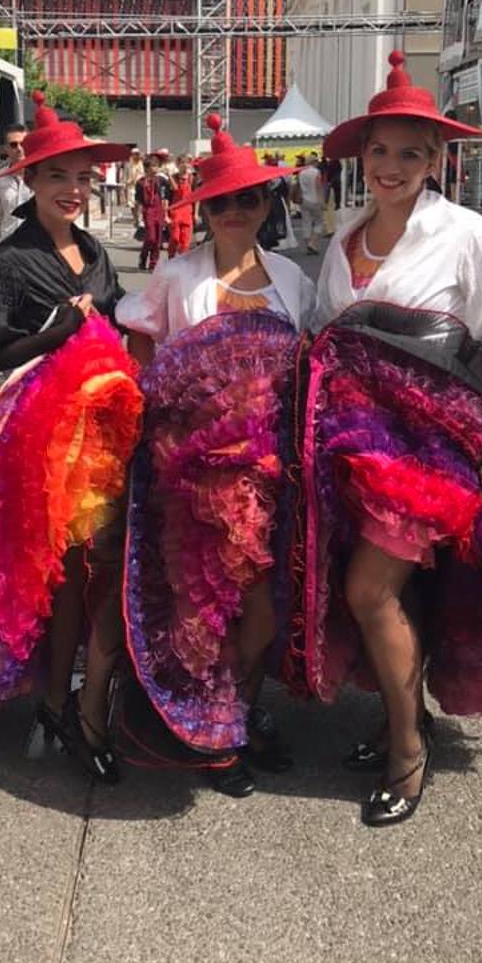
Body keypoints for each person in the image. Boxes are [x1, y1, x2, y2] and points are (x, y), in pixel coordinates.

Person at [306, 52, 482, 827]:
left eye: (411, 153)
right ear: (361, 155)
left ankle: (409, 754)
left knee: (370, 591)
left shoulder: (466, 233)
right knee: (394, 595)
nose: (392, 166)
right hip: (351, 448)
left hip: (434, 453)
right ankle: (399, 722)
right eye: (380, 150)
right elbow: (321, 337)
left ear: (436, 160)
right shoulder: (344, 238)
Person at [117, 113, 314, 797]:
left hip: (275, 477)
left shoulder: (293, 278)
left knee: (266, 609)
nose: (237, 210)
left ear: (268, 204)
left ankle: (238, 711)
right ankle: (216, 732)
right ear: (206, 209)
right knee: (208, 610)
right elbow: (143, 371)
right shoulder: (175, 277)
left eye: (250, 199)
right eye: (224, 201)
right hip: (195, 482)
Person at [0, 91, 139, 782]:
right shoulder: (7, 260)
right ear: (30, 181)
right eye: (58, 176)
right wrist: (48, 336)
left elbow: (116, 333)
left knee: (101, 574)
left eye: (82, 178)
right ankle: (63, 705)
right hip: (38, 449)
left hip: (103, 441)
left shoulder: (94, 252)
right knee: (64, 578)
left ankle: (76, 702)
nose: (72, 189)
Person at [0, 125, 31, 246]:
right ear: (6, 148)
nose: (19, 148)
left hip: (35, 247)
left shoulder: (42, 177)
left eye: (24, 143)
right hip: (7, 244)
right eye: (13, 145)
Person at [136, 156, 169, 271]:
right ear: (147, 168)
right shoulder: (140, 183)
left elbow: (165, 197)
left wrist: (166, 214)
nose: (156, 168)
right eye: (153, 166)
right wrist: (136, 217)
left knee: (158, 238)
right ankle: (143, 256)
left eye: (157, 166)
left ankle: (153, 263)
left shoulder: (161, 180)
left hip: (159, 209)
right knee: (151, 237)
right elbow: (138, 201)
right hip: (148, 210)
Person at [297, 150, 325, 254]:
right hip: (315, 200)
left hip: (304, 200)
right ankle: (313, 244)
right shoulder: (316, 172)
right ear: (314, 162)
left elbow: (299, 186)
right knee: (319, 222)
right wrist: (322, 201)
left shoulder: (301, 172)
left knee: (306, 222)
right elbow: (319, 187)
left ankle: (307, 243)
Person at [166, 156, 195, 257]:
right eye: (182, 163)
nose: (185, 165)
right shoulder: (173, 177)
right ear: (178, 165)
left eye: (187, 163)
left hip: (187, 211)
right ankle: (171, 257)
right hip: (176, 211)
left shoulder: (192, 178)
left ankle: (183, 262)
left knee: (186, 241)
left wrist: (196, 213)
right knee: (175, 238)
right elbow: (174, 190)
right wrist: (166, 215)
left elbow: (197, 196)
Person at [124, 147, 144, 226]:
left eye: (137, 154)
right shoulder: (129, 164)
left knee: (140, 203)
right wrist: (126, 183)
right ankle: (135, 218)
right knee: (132, 203)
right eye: (134, 154)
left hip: (141, 185)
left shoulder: (142, 164)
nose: (136, 156)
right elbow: (126, 175)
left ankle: (140, 218)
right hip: (131, 186)